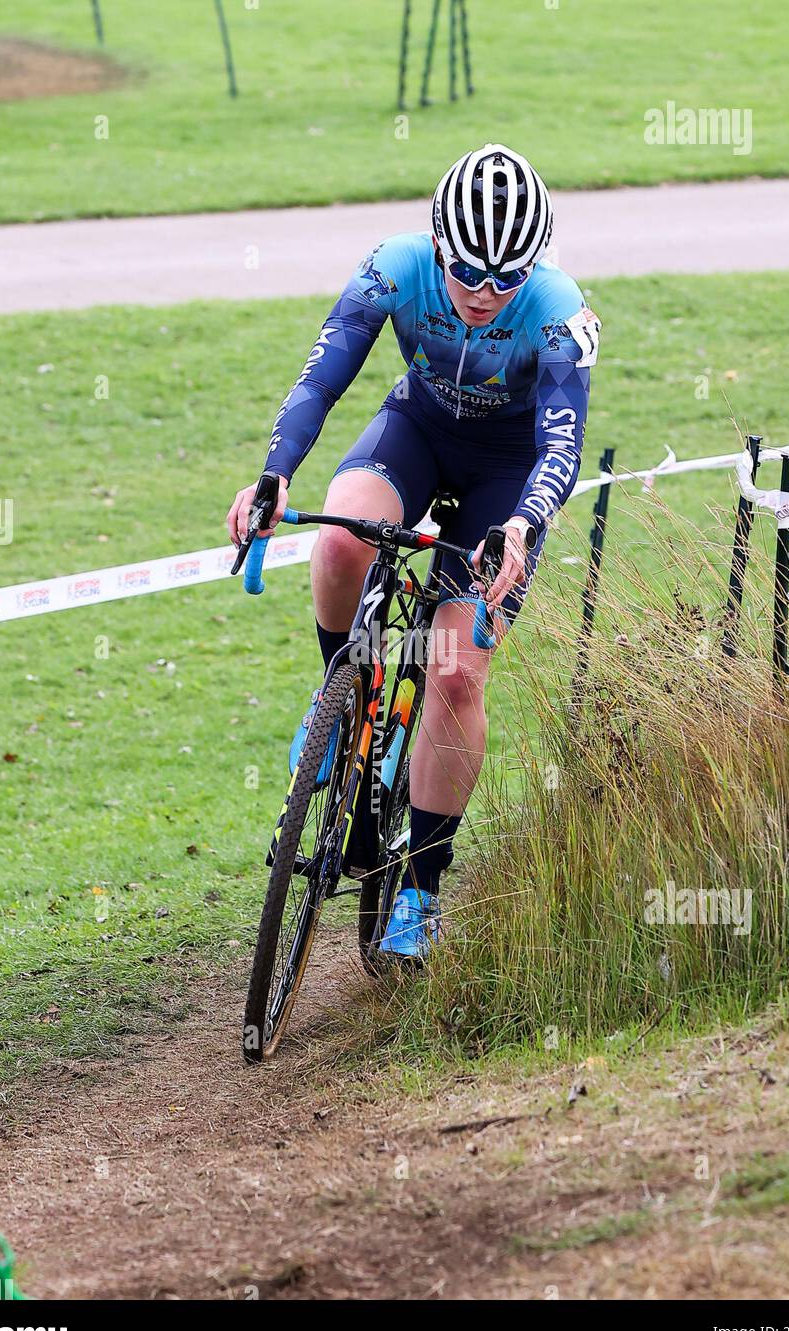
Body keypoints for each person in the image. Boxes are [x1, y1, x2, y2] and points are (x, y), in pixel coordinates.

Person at [227, 142, 600, 962]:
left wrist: (524, 525)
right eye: (467, 271)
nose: (483, 293)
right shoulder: (393, 266)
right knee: (335, 545)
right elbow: (322, 377)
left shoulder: (558, 309)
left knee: (456, 669)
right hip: (418, 434)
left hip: (506, 475)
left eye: (507, 278)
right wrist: (275, 474)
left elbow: (560, 445)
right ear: (437, 245)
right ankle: (339, 699)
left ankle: (422, 890)